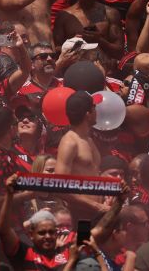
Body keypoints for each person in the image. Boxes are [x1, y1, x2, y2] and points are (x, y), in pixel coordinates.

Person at [56, 91, 105, 220]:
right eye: (94, 108)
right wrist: (95, 205)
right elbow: (59, 187)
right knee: (83, 241)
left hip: (99, 213)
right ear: (88, 114)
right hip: (81, 216)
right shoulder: (70, 142)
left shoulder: (89, 139)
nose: (97, 111)